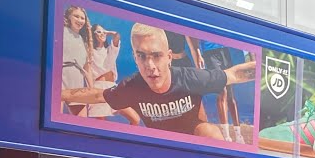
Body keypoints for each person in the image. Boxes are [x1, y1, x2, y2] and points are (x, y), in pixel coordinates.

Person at [59, 23, 256, 140]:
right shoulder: (132, 87)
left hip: (194, 144)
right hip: (161, 150)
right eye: (142, 56)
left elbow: (233, 75)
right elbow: (97, 95)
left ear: (169, 57)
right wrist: (58, 93)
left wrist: (270, 67)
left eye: (156, 56)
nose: (150, 65)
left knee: (209, 132)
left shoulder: (190, 77)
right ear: (135, 59)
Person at [84, 23, 125, 120]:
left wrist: (106, 32)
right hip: (99, 86)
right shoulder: (90, 51)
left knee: (135, 118)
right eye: (99, 32)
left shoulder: (110, 50)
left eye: (104, 32)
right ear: (93, 34)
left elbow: (117, 36)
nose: (102, 34)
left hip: (112, 87)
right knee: (101, 122)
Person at [60, 5, 93, 116]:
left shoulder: (83, 41)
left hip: (77, 81)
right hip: (61, 77)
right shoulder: (61, 31)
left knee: (82, 120)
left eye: (82, 18)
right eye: (76, 16)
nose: (80, 20)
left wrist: (92, 90)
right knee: (55, 116)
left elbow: (87, 69)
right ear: (69, 17)